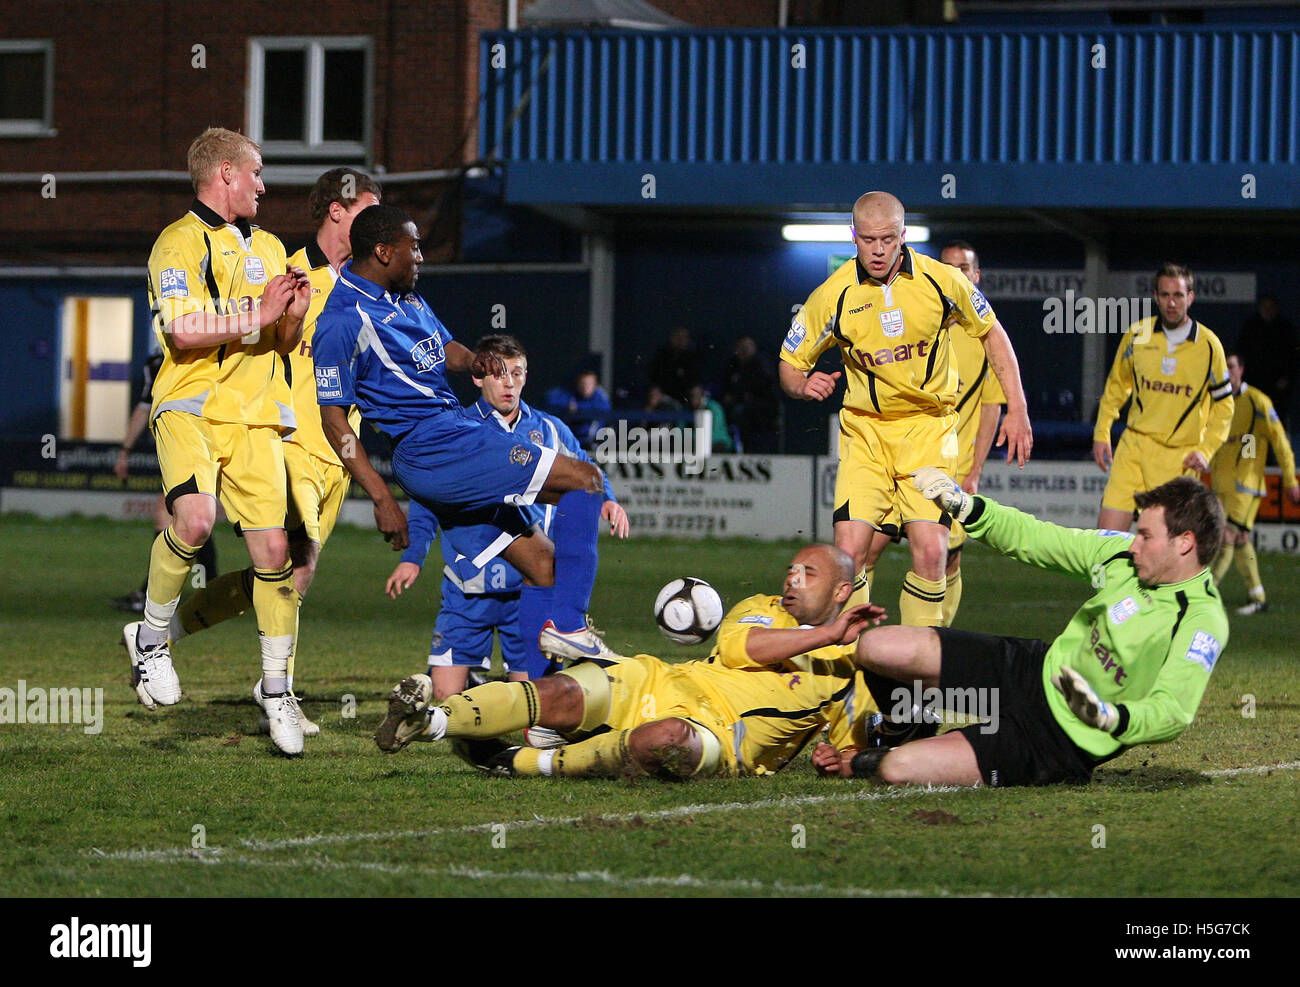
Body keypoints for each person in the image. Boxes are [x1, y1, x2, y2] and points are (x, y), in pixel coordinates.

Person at [311, 205, 615, 676]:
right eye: (414, 249)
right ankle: (570, 627)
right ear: (383, 251)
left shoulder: (406, 297)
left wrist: (475, 361)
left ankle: (539, 722)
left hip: (455, 438)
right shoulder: (341, 320)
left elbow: (444, 347)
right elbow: (334, 422)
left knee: (544, 568)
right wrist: (381, 498)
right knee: (587, 479)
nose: (421, 258)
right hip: (433, 449)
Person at [815, 470, 1228, 788]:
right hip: (1031, 670)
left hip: (1060, 741)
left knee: (896, 769)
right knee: (875, 647)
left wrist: (1108, 716)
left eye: (1145, 536)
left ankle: (878, 755)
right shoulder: (1121, 555)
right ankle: (908, 726)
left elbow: (1172, 711)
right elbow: (1037, 538)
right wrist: (964, 506)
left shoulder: (1200, 620)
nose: (1133, 544)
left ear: (1185, 542)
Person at [159, 167, 382, 736]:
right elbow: (244, 343)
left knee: (289, 573)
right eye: (368, 214)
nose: (377, 228)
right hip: (288, 443)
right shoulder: (288, 269)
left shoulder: (370, 288)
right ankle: (269, 687)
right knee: (287, 567)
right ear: (337, 210)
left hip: (338, 452)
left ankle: (164, 635)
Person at [374, 544, 885, 779]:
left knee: (660, 743)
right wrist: (824, 633)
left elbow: (849, 751)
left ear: (843, 589)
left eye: (809, 573)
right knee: (561, 692)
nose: (792, 579)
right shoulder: (760, 608)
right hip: (664, 679)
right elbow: (739, 650)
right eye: (792, 568)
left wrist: (832, 762)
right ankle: (433, 720)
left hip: (719, 736)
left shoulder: (850, 669)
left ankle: (516, 762)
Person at [123, 128, 311, 755]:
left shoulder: (275, 246)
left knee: (275, 553)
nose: (263, 185)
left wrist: (289, 316)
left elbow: (280, 342)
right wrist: (258, 313)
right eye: (256, 173)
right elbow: (181, 332)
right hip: (192, 406)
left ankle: (279, 691)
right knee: (196, 519)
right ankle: (152, 639)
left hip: (256, 415)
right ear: (225, 173)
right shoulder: (177, 242)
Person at [779, 191, 1032, 629]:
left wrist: (1018, 409)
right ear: (853, 236)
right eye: (869, 240)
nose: (878, 250)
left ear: (904, 235)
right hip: (866, 436)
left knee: (933, 551)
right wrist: (802, 385)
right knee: (849, 552)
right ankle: (851, 674)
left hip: (928, 433)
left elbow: (994, 334)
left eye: (888, 239)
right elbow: (788, 365)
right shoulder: (832, 294)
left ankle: (917, 677)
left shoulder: (943, 280)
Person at [385, 333, 629, 700]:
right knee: (444, 698)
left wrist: (607, 499)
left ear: (527, 376)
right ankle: (467, 685)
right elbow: (426, 498)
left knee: (532, 699)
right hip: (469, 587)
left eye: (517, 373)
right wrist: (413, 556)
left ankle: (521, 696)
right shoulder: (455, 430)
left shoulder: (548, 429)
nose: (509, 383)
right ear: (478, 377)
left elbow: (585, 466)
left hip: (528, 589)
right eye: (499, 374)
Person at [857, 239, 1006, 629]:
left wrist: (975, 470)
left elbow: (992, 406)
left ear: (976, 276)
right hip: (894, 454)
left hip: (948, 464)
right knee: (866, 549)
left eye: (964, 267)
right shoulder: (912, 316)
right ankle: (849, 645)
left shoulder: (986, 336)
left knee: (944, 557)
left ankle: (933, 641)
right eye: (948, 266)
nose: (956, 273)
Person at [1093, 263, 1233, 532]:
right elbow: (1116, 386)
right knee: (1106, 539)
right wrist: (1102, 432)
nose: (1171, 302)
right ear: (1156, 297)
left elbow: (1224, 405)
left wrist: (1206, 450)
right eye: (1165, 295)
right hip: (1133, 447)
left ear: (1190, 298)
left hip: (1178, 459)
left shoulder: (1208, 345)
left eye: (1178, 295)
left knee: (1163, 547)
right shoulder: (1138, 334)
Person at [111, 336, 218, 613]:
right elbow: (145, 406)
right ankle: (209, 590)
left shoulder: (212, 348)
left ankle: (159, 596)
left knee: (179, 514)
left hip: (217, 442)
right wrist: (125, 450)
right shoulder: (158, 361)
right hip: (187, 447)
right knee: (189, 517)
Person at [1209, 353, 1300, 615]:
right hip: (1221, 486)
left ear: (1242, 370)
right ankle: (1258, 596)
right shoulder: (1220, 403)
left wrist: (1290, 479)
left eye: (1232, 367)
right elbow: (1220, 442)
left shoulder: (1258, 402)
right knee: (1239, 540)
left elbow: (1280, 442)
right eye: (1224, 368)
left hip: (1245, 487)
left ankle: (1207, 591)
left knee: (1227, 536)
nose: (1228, 372)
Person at [1236, 294, 1297, 429]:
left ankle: (1273, 451)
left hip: (1277, 390)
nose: (1268, 311)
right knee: (1249, 423)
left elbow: (1293, 358)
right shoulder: (1250, 327)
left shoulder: (1285, 328)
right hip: (1254, 384)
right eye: (1264, 307)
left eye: (1271, 307)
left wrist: (1287, 378)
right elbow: (1240, 355)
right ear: (1259, 308)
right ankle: (1249, 451)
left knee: (1276, 425)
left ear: (1276, 309)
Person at [721, 335, 780, 453]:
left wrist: (745, 395)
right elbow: (728, 386)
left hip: (761, 407)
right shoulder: (733, 364)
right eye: (741, 347)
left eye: (747, 347)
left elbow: (764, 388)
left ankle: (750, 449)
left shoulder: (761, 365)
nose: (744, 350)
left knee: (743, 414)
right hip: (738, 404)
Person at [544, 363, 610, 449]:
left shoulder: (600, 397)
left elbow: (604, 409)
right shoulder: (568, 394)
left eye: (589, 384)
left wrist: (578, 408)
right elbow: (550, 400)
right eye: (583, 383)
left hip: (592, 443)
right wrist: (566, 408)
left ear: (595, 385)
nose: (586, 387)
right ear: (578, 383)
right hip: (569, 442)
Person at [648, 326, 699, 405]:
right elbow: (656, 377)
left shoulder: (693, 357)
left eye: (683, 337)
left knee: (696, 392)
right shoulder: (663, 356)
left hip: (686, 394)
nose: (680, 340)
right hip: (666, 393)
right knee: (654, 394)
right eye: (677, 336)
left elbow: (695, 379)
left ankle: (697, 416)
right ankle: (647, 417)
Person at [687, 384, 733, 453]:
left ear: (702, 396)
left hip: (718, 441)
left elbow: (717, 430)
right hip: (699, 442)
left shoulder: (714, 407)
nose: (693, 399)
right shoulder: (690, 409)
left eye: (696, 395)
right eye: (691, 396)